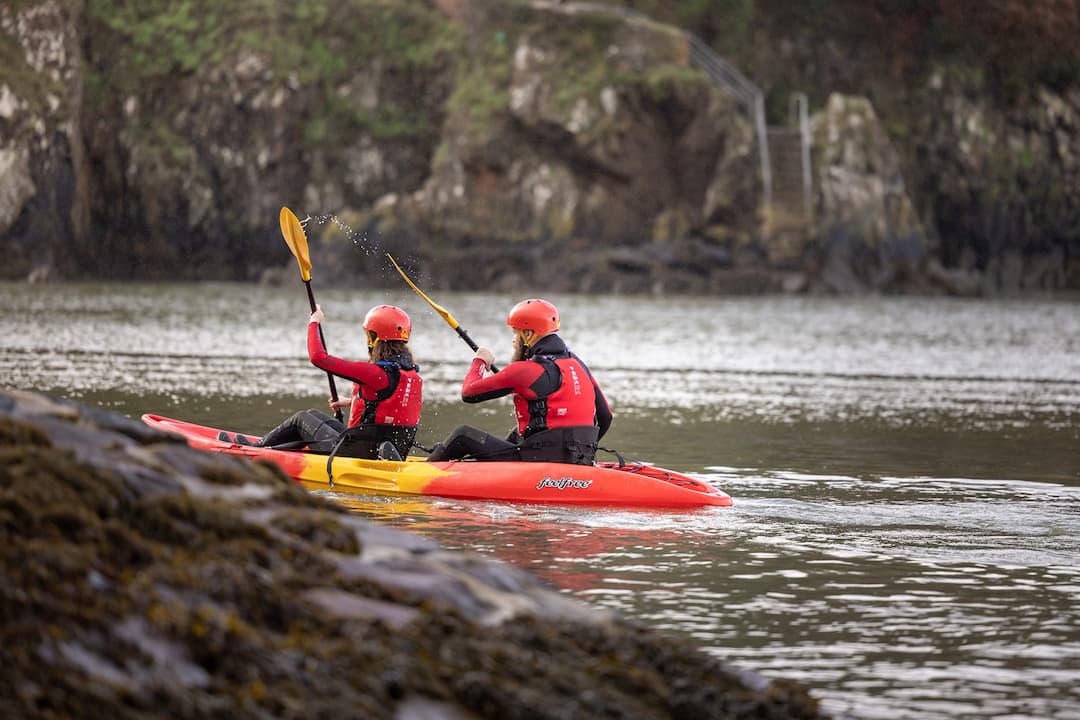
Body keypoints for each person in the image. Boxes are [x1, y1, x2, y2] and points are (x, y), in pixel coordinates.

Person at [224, 304, 422, 460]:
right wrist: (352, 401)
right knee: (312, 415)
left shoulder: (376, 372)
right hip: (381, 448)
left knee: (301, 419)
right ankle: (272, 448)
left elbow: (318, 357)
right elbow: (391, 408)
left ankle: (253, 451)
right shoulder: (411, 372)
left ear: (375, 338)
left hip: (356, 453)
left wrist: (314, 323)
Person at [426, 298, 611, 465]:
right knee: (519, 433)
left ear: (528, 334)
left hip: (540, 461)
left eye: (516, 333)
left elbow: (469, 392)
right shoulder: (578, 365)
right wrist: (582, 453)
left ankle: (423, 471)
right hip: (579, 458)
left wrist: (480, 361)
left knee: (463, 435)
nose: (513, 341)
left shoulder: (526, 371)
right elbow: (606, 416)